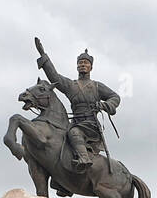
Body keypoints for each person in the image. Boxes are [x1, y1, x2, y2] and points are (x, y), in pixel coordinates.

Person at [35, 40, 120, 171]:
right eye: (80, 63)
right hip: (74, 122)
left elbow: (115, 97)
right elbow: (54, 76)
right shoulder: (71, 85)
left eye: (85, 63)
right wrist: (43, 55)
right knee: (58, 140)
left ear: (91, 67)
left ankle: (84, 158)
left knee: (74, 132)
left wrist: (104, 105)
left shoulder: (97, 86)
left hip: (89, 124)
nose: (82, 65)